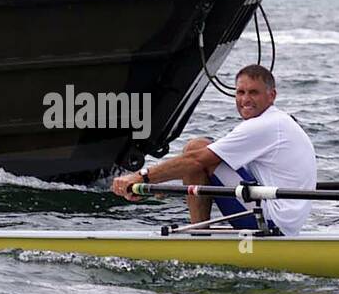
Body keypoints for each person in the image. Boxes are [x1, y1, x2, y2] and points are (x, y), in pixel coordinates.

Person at [111, 64, 318, 236]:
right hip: (284, 218)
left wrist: (141, 177)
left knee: (196, 149)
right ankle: (201, 234)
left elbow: (197, 160)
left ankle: (200, 238)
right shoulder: (276, 121)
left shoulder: (265, 125)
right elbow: (208, 164)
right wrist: (166, 181)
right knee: (199, 152)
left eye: (253, 93)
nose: (245, 100)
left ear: (271, 95)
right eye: (240, 92)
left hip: (274, 223)